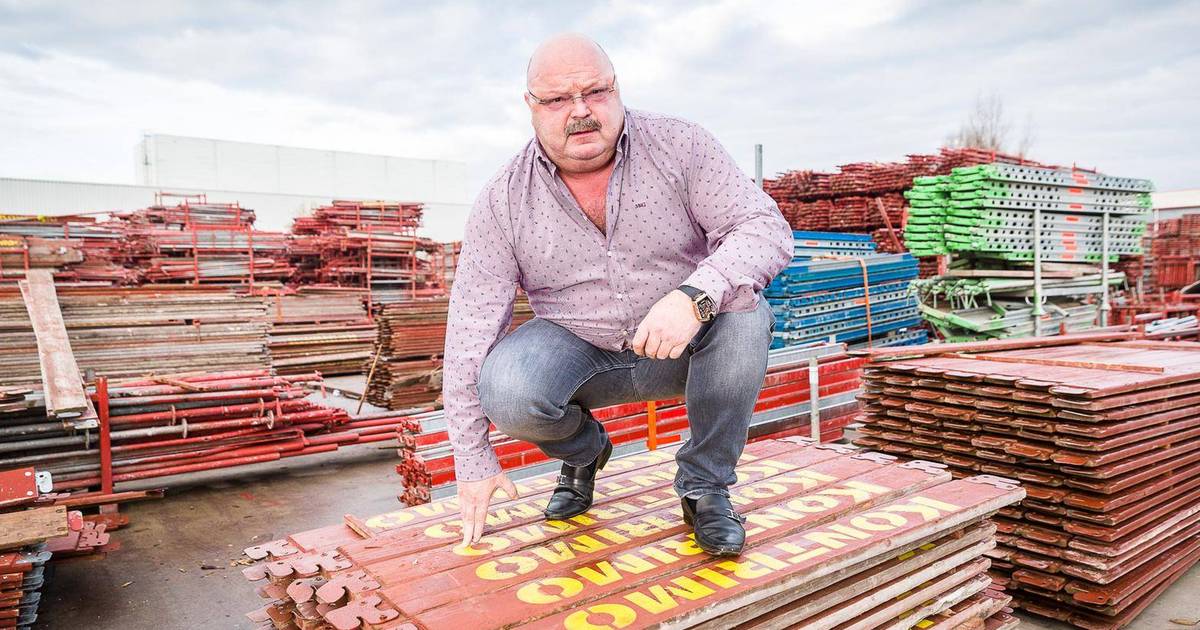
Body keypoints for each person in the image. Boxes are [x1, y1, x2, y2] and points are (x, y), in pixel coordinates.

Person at [442, 33, 793, 556]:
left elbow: (764, 228)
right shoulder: (502, 201)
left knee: (745, 313)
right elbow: (471, 327)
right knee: (509, 389)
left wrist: (696, 296)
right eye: (558, 99)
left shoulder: (681, 145)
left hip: (685, 348)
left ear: (617, 88)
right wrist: (472, 461)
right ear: (531, 107)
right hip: (584, 353)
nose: (580, 112)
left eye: (596, 92)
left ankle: (705, 485)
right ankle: (586, 452)